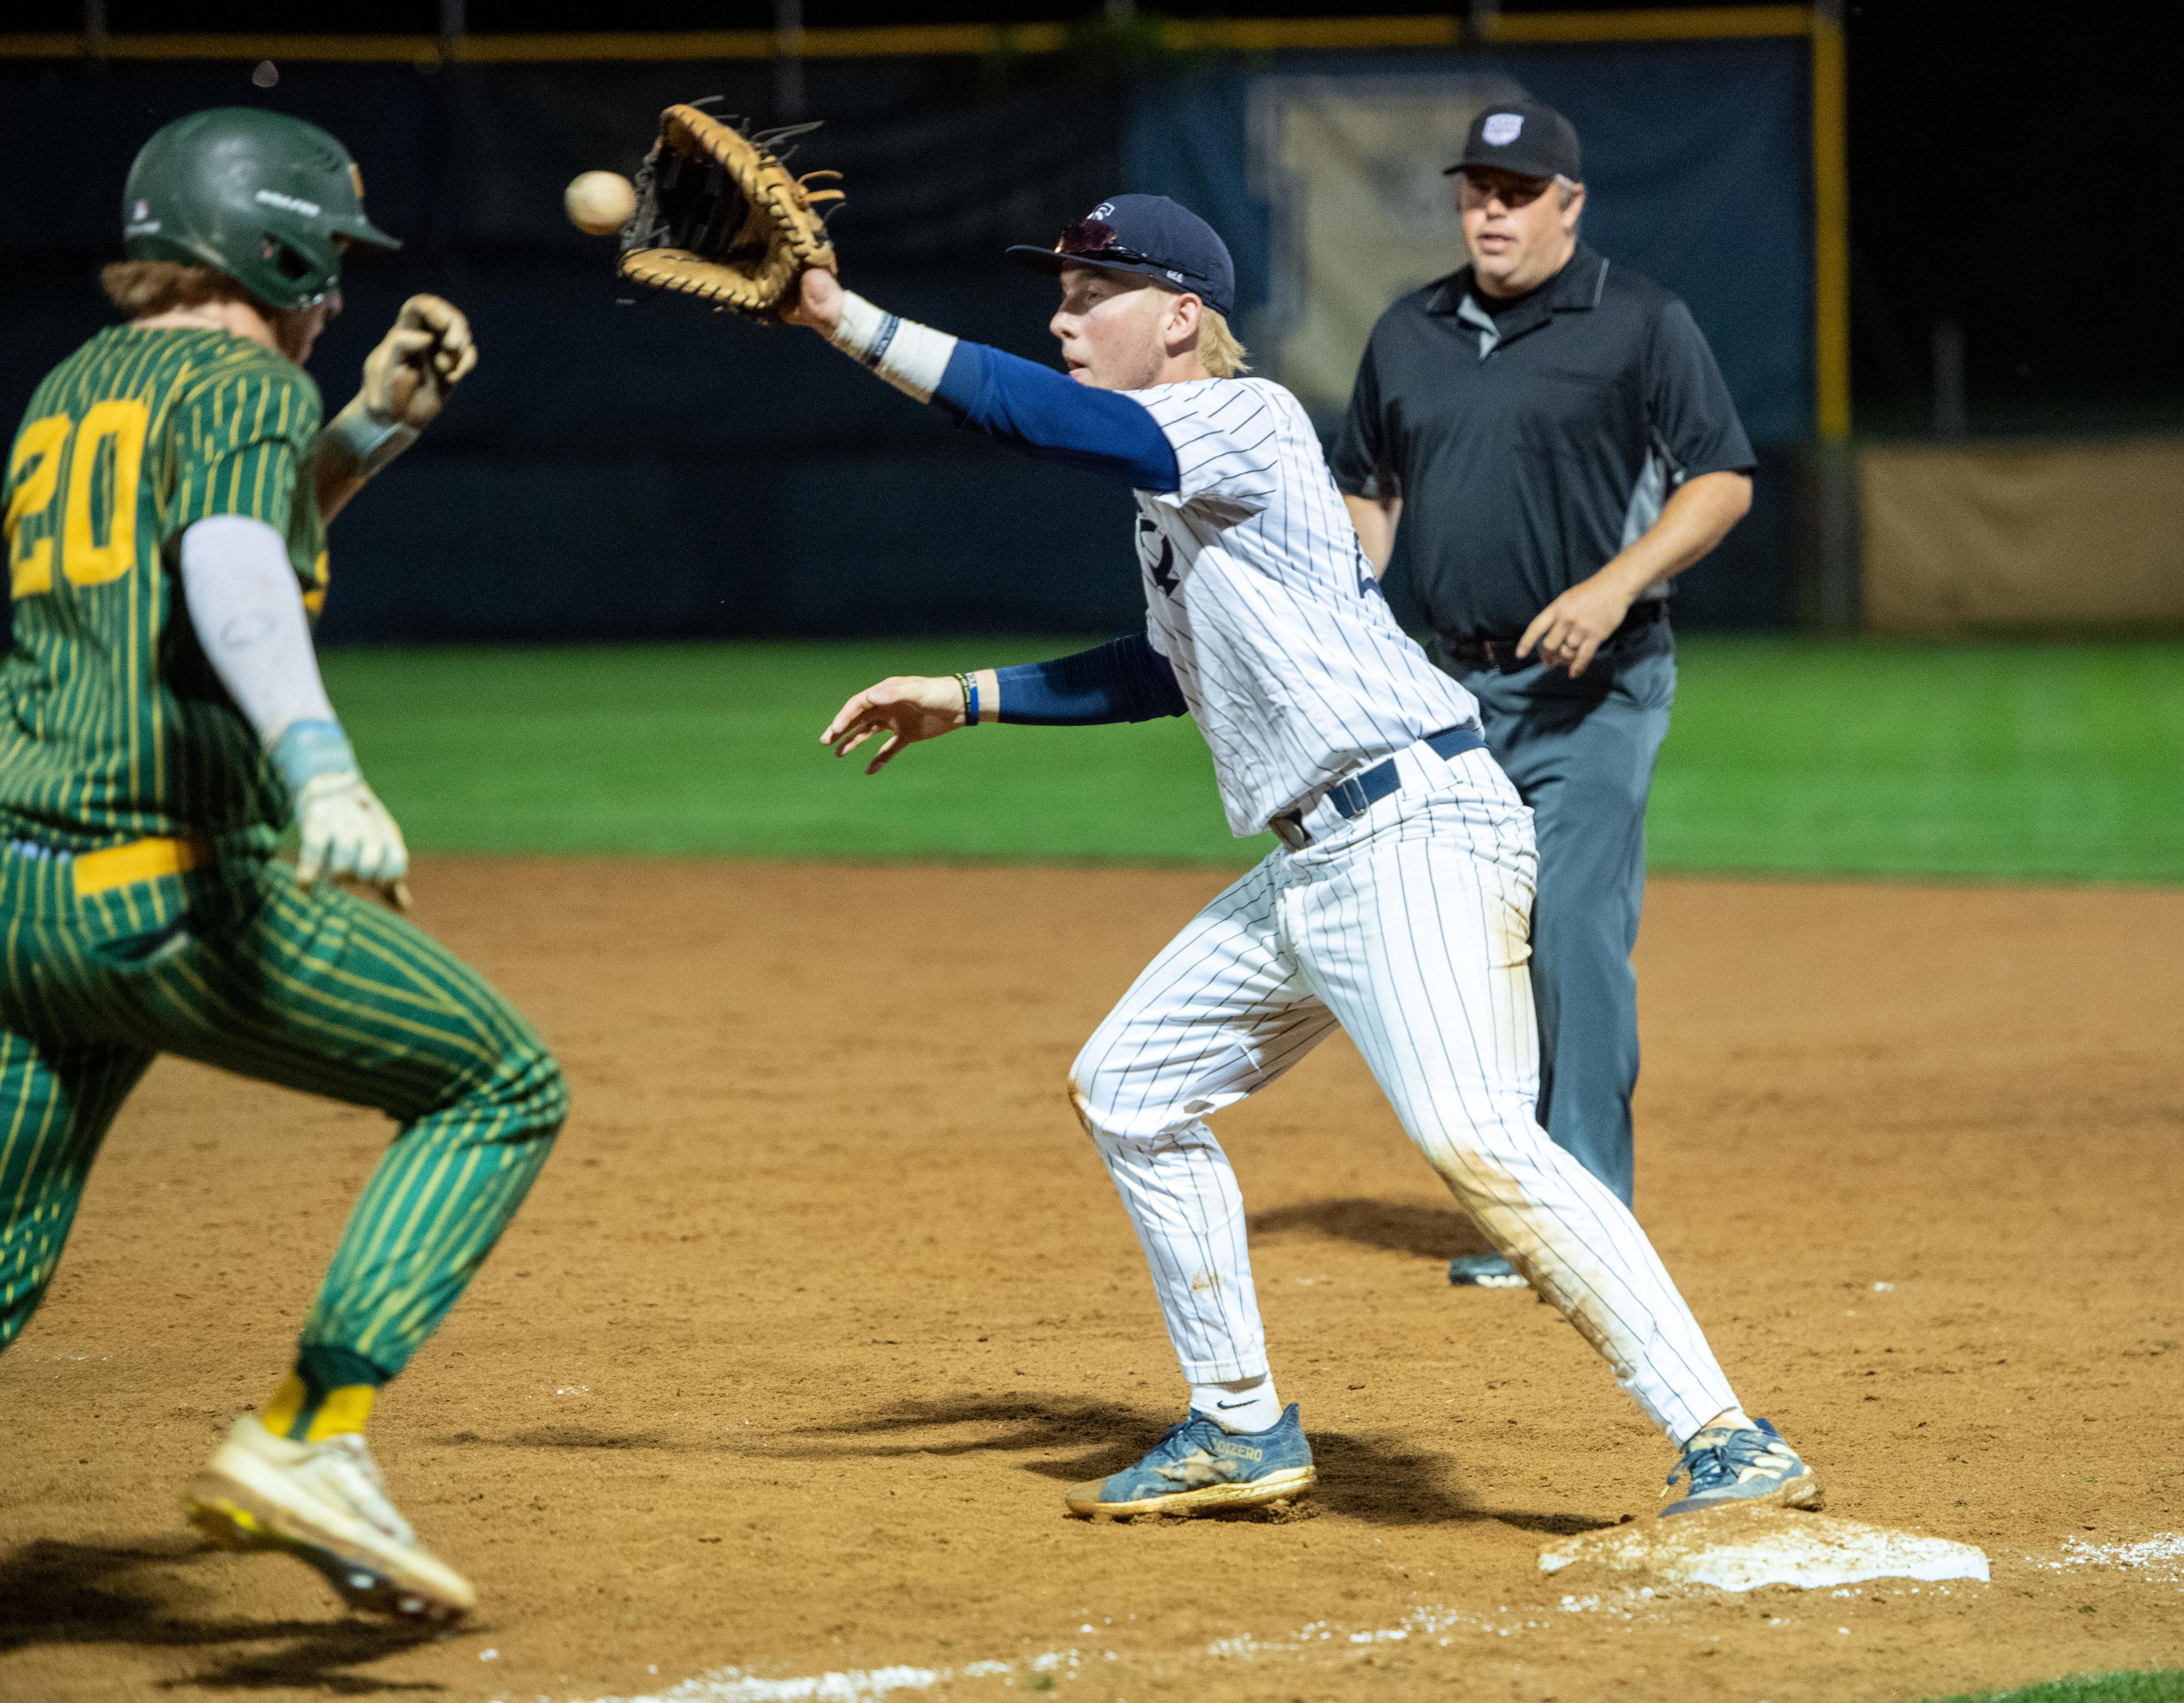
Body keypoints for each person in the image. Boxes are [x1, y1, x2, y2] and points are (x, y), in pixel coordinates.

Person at [787, 194, 1818, 1521]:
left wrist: (839, 317)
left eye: (1088, 290)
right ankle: (1240, 1426)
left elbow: (1027, 416)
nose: (1059, 314)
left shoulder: (1248, 418)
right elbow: (1166, 666)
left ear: (1179, 315)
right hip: (1317, 863)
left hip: (1414, 834)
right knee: (1130, 1087)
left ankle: (1727, 1435)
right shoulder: (1177, 472)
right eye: (1059, 290)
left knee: (1476, 1135)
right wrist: (971, 693)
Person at [0, 108, 566, 1625]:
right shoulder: (241, 376)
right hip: (161, 888)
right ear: (278, 248)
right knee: (500, 1083)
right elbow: (231, 563)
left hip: (19, 898)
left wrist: (371, 426)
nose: (335, 302)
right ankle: (310, 1438)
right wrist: (319, 763)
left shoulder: (77, 384)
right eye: (329, 267)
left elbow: (211, 525)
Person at [1334, 101, 1758, 1287]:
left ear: (1571, 205)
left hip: (1596, 690)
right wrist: (1349, 605)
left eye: (1518, 193)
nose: (1492, 212)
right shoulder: (1407, 331)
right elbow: (1370, 491)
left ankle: (1579, 1212)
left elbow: (1722, 480)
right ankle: (1519, 1191)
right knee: (1473, 953)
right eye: (1478, 190)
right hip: (1451, 695)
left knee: (1570, 925)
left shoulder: (1640, 322)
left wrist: (1617, 586)